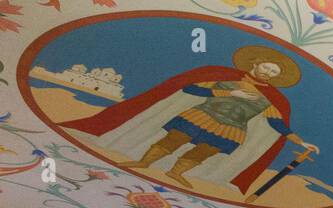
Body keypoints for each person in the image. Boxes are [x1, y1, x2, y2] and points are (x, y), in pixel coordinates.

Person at [61, 46, 318, 194]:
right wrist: (227, 92)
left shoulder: (269, 99)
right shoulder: (225, 78)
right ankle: (143, 161)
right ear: (257, 63)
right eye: (267, 67)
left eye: (274, 72)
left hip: (232, 130)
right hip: (202, 115)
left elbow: (276, 124)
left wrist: (301, 142)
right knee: (175, 138)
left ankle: (176, 172)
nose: (269, 73)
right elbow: (191, 90)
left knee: (204, 151)